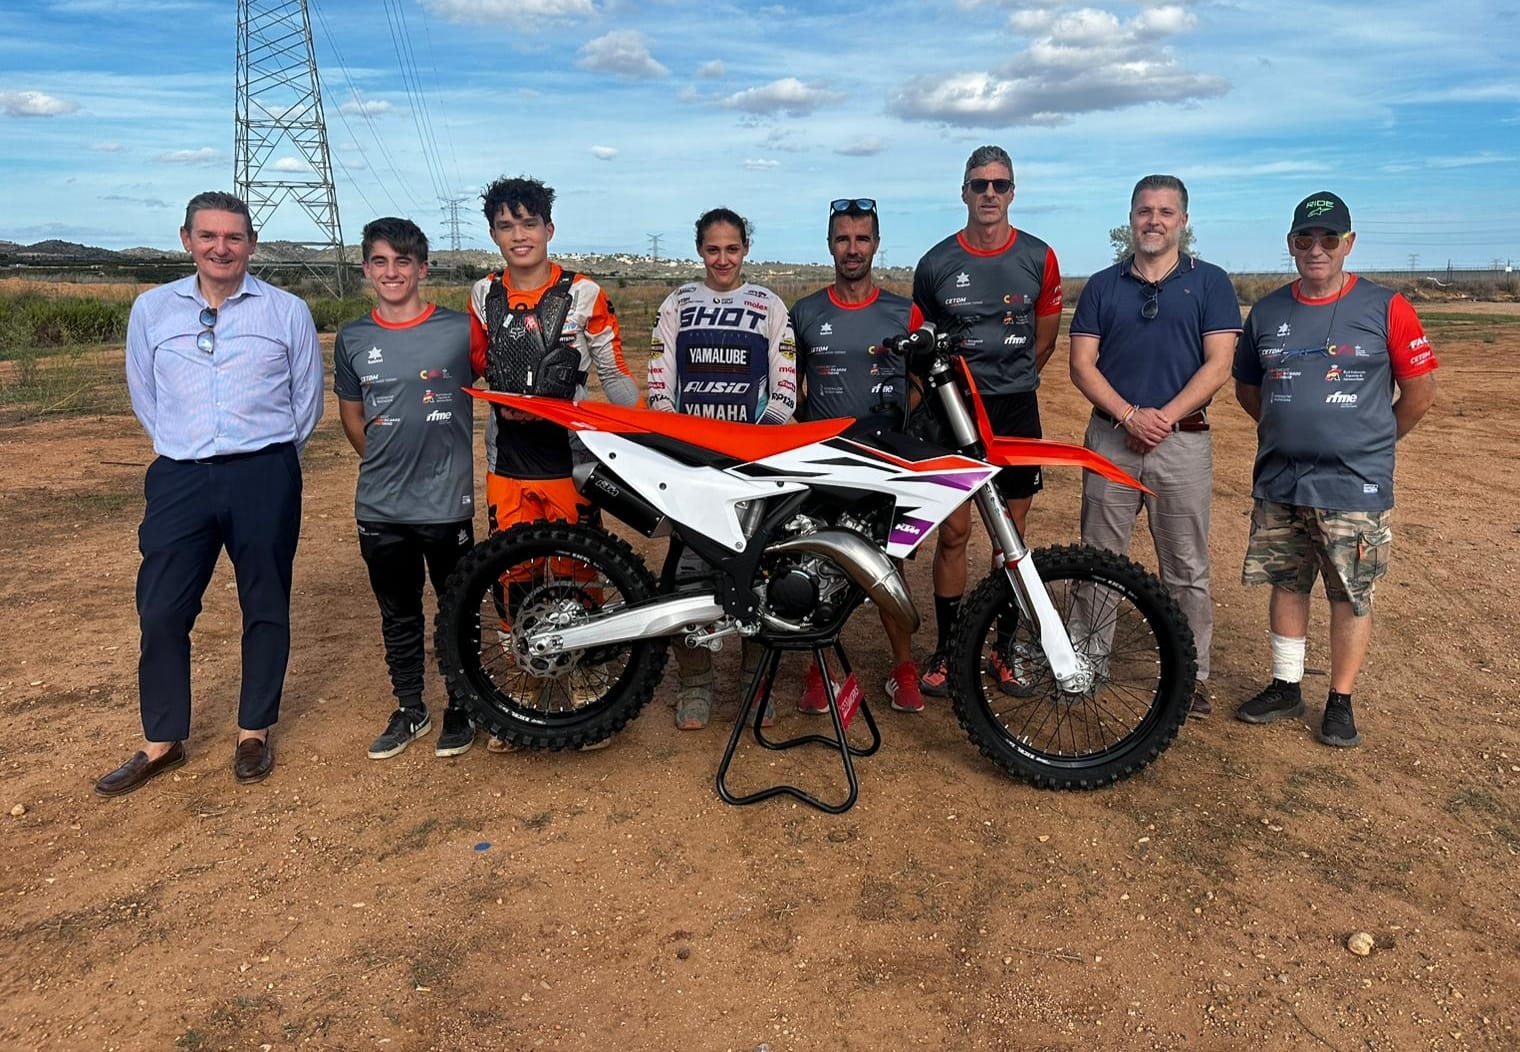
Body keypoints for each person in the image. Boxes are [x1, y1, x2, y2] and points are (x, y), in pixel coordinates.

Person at [94, 191, 323, 796]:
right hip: (181, 476)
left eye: (234, 237)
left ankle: (254, 730)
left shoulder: (287, 311)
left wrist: (269, 458)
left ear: (250, 244)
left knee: (265, 602)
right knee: (162, 607)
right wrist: (183, 445)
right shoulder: (152, 310)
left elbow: (307, 402)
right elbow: (144, 393)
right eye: (208, 236)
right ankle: (161, 740)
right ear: (187, 240)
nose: (221, 247)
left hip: (264, 473)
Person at [1233, 191, 1438, 747]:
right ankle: (1285, 685)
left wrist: (1370, 443)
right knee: (1287, 581)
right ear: (1291, 244)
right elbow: (1249, 388)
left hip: (1354, 483)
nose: (1316, 249)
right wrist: (1287, 427)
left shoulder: (1386, 306)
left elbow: (1419, 392)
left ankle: (1340, 700)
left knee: (1350, 590)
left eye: (1329, 239)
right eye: (1305, 239)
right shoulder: (1269, 310)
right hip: (1280, 477)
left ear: (1349, 243)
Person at [468, 176, 639, 753]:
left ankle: (580, 699)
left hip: (570, 460)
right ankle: (522, 702)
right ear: (494, 234)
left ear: (549, 228)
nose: (520, 235)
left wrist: (655, 429)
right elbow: (468, 365)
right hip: (506, 460)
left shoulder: (585, 293)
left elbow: (613, 376)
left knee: (577, 573)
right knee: (512, 578)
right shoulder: (480, 294)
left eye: (529, 223)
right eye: (507, 226)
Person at [1068, 175, 1240, 719]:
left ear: (1183, 221)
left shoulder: (1210, 283)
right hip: (1110, 439)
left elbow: (1219, 364)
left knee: (1186, 566)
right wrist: (1128, 415)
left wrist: (1163, 416)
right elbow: (1081, 364)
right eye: (1145, 210)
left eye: (1166, 211)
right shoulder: (1102, 285)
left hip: (1181, 442)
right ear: (1131, 217)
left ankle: (1191, 675)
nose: (1154, 220)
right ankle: (1086, 663)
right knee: (1098, 558)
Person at [910, 145, 1063, 697]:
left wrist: (1007, 382)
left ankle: (1001, 650)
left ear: (1013, 191)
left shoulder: (1039, 257)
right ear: (964, 192)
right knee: (953, 535)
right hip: (953, 412)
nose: (990, 194)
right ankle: (949, 651)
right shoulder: (935, 264)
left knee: (1011, 540)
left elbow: (1043, 341)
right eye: (980, 185)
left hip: (1015, 410)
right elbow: (922, 346)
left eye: (1000, 185)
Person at [334, 218, 478, 760]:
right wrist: (385, 466)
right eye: (379, 262)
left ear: (422, 268)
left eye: (402, 262)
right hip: (380, 505)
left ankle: (463, 705)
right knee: (398, 612)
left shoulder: (461, 331)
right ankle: (410, 707)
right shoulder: (353, 338)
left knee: (456, 606)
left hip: (446, 503)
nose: (391, 272)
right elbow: (352, 417)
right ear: (367, 269)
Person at [648, 207, 797, 729]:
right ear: (699, 251)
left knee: (757, 573)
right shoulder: (678, 304)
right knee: (689, 575)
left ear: (745, 250)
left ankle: (757, 684)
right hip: (691, 464)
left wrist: (753, 445)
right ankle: (695, 685)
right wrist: (682, 443)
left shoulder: (769, 305)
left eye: (732, 249)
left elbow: (784, 389)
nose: (722, 259)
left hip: (752, 464)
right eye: (713, 249)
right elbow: (659, 387)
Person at [790, 197, 924, 714]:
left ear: (875, 244)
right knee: (817, 560)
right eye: (843, 238)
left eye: (861, 238)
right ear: (829, 245)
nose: (852, 248)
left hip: (884, 459)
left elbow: (920, 384)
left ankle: (904, 668)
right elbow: (789, 388)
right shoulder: (805, 312)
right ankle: (817, 670)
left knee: (889, 565)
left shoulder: (903, 310)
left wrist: (888, 425)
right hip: (821, 459)